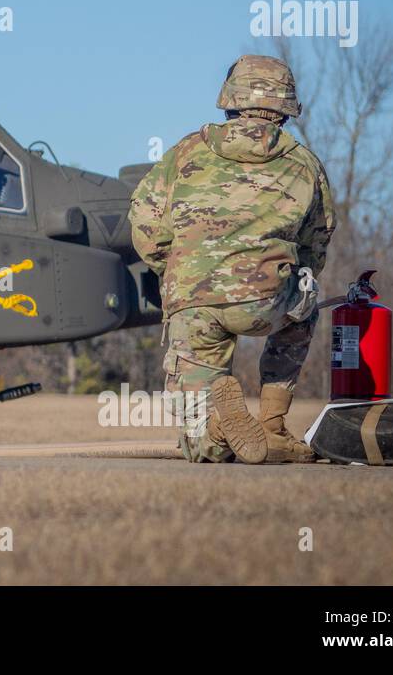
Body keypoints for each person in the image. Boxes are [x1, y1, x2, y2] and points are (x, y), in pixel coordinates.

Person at [128, 55, 335, 464]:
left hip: (192, 302)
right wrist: (291, 278)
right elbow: (318, 242)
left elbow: (143, 222)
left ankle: (217, 429)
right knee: (306, 304)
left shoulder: (185, 152)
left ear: (229, 100)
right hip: (267, 302)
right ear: (286, 109)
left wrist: (175, 268)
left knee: (199, 448)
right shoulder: (305, 165)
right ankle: (272, 426)